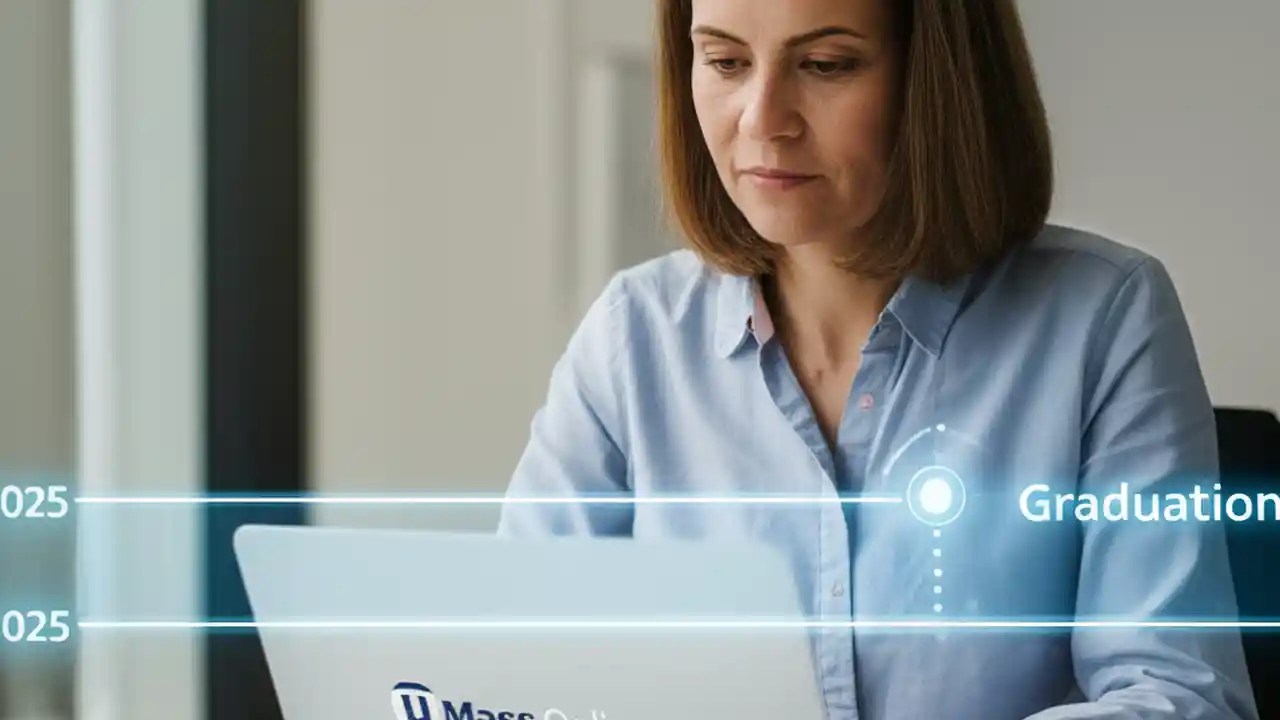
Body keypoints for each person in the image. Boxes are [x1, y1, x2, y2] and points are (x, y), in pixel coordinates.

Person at [498, 0, 1258, 718]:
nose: (763, 121)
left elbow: (1175, 692)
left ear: (936, 81)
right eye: (726, 62)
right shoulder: (634, 336)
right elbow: (508, 671)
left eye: (826, 64)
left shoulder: (1104, 317)